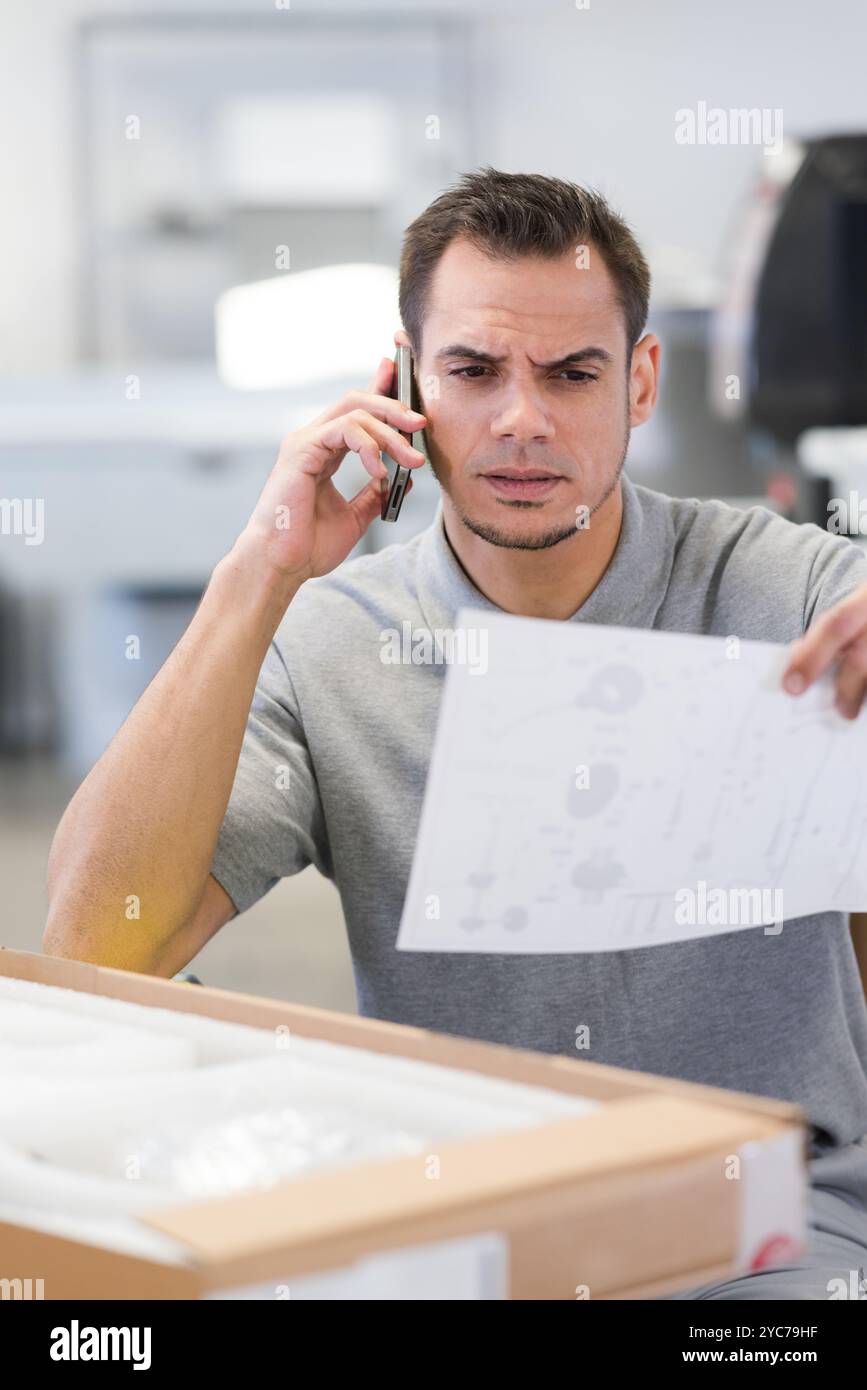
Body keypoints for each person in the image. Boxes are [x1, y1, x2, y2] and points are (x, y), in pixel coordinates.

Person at [45, 167, 867, 1300]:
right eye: (475, 371)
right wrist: (255, 577)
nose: (520, 418)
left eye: (572, 374)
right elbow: (100, 941)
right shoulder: (333, 641)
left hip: (772, 1223)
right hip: (470, 1226)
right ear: (405, 382)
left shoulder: (795, 590)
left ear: (639, 382)